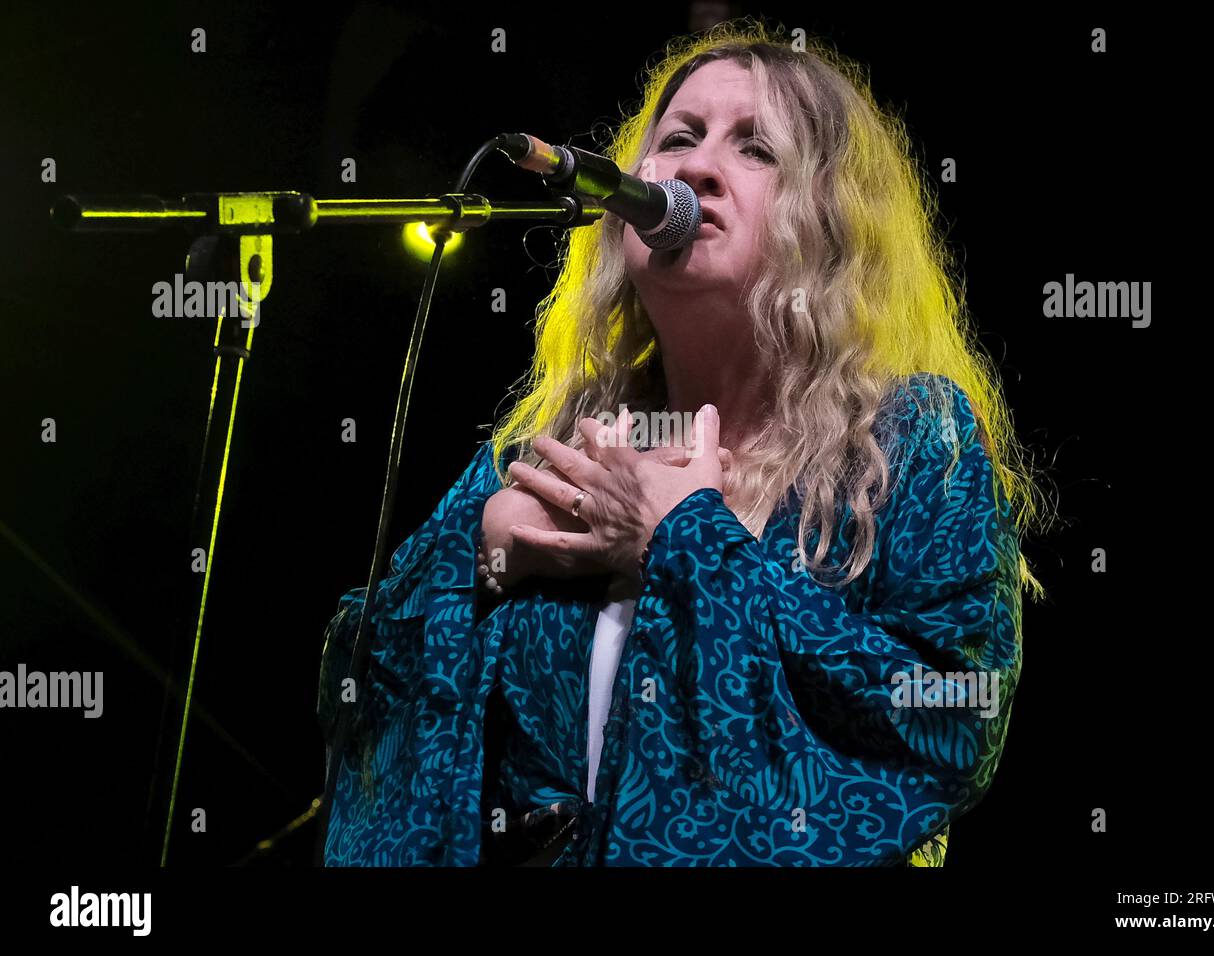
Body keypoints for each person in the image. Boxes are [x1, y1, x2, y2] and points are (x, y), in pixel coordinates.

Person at [317, 20, 1049, 867]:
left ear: (831, 220)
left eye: (755, 149)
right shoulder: (560, 445)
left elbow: (956, 715)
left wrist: (682, 538)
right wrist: (480, 547)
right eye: (678, 138)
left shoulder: (909, 440)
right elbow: (354, 683)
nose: (696, 167)